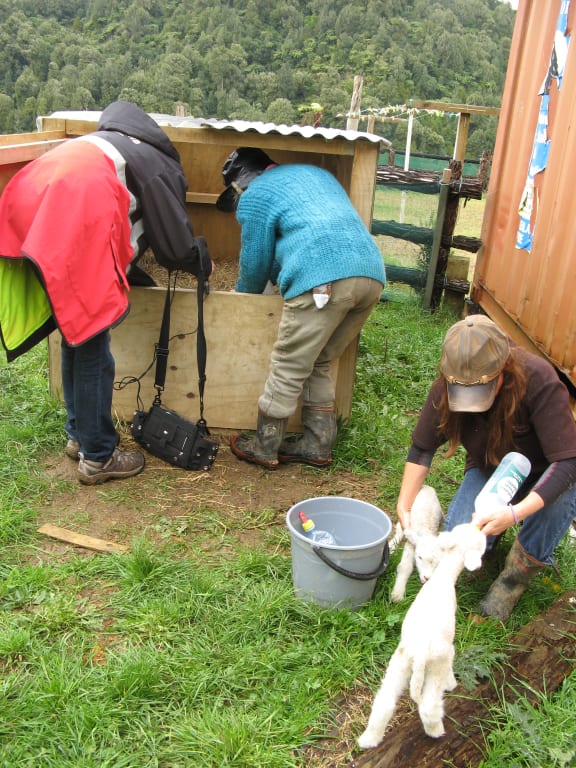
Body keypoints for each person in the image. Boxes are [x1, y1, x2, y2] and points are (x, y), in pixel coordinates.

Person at [0, 101, 213, 485]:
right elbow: (173, 245)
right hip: (76, 223)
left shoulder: (101, 143)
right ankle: (99, 456)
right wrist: (202, 263)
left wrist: (132, 275)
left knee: (74, 335)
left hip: (31, 210)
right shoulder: (154, 162)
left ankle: (78, 436)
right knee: (95, 345)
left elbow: (125, 226)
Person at [395, 313, 576, 622]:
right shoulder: (446, 385)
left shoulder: (539, 379)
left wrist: (516, 513)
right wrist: (404, 503)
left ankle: (511, 583)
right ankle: (485, 550)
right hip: (491, 468)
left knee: (555, 505)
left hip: (545, 474)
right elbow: (422, 448)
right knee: (459, 537)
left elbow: (568, 461)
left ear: (503, 370)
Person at [216, 146, 386, 469]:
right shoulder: (314, 175)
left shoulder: (256, 196)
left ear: (240, 185)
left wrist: (239, 302)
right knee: (320, 358)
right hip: (370, 274)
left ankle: (265, 446)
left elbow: (254, 264)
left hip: (322, 280)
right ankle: (318, 443)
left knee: (288, 364)